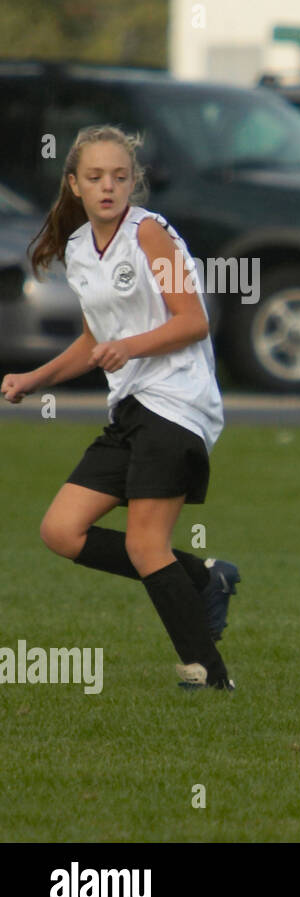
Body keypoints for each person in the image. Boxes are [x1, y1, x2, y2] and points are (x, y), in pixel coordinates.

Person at [2, 125, 240, 690]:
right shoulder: (81, 248)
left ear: (134, 181)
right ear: (75, 185)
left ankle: (209, 675)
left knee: (143, 543)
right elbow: (94, 340)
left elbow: (193, 320)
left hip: (179, 404)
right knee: (61, 530)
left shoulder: (149, 234)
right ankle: (205, 580)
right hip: (131, 407)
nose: (108, 187)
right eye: (94, 177)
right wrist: (37, 378)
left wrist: (128, 347)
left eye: (119, 176)